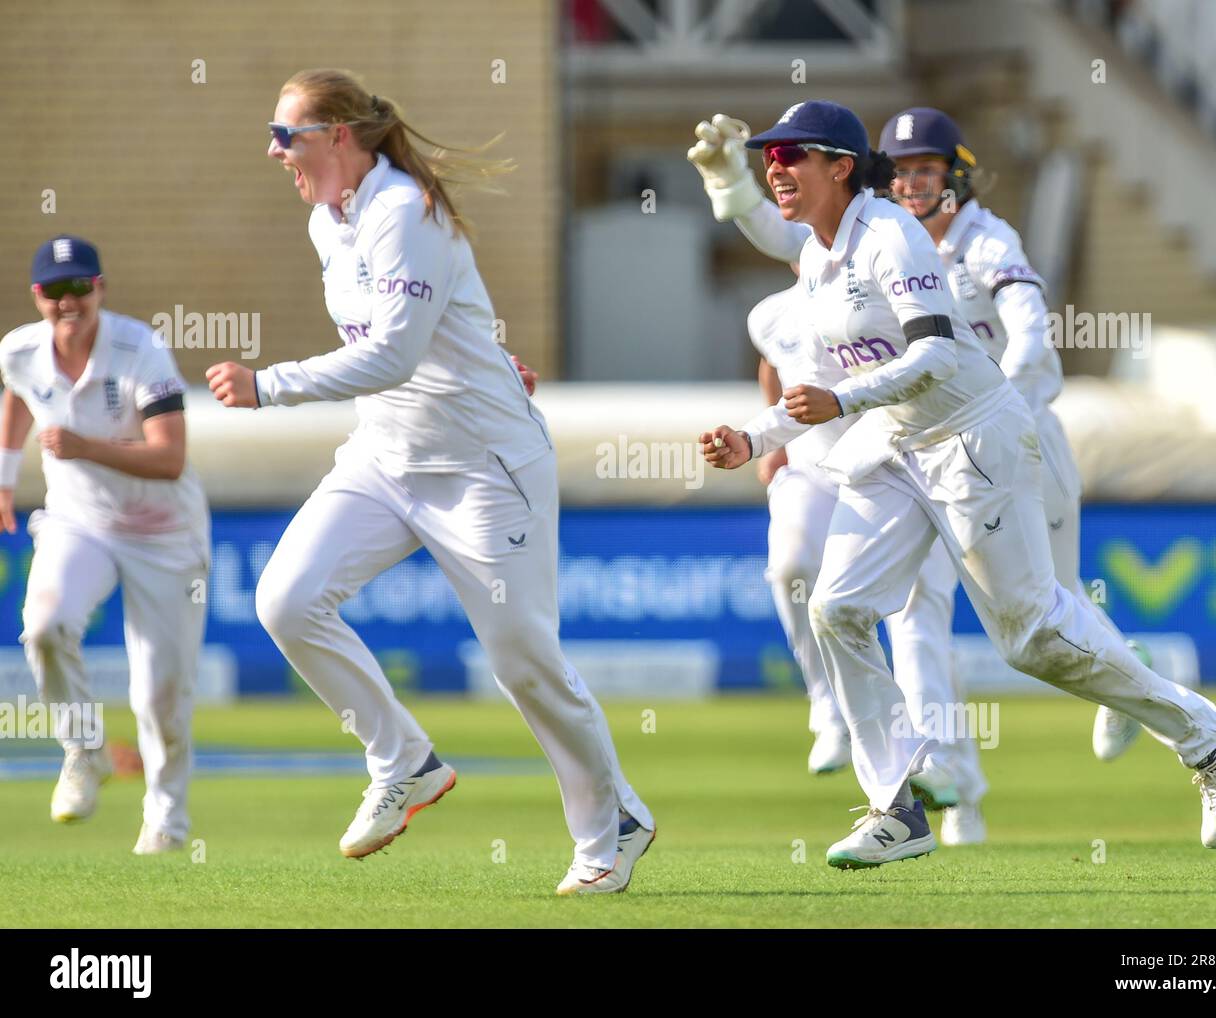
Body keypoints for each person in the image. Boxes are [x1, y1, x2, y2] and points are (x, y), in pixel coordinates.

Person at [698, 100, 1216, 868]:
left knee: (1030, 637)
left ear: (839, 166)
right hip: (895, 446)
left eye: (792, 155)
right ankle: (896, 804)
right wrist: (754, 437)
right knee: (835, 607)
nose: (775, 167)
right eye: (769, 156)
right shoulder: (817, 260)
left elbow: (932, 354)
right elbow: (822, 378)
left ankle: (1212, 737)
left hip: (973, 437)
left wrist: (844, 402)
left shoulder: (891, 233)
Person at [205, 69, 654, 895]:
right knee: (285, 599)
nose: (275, 153)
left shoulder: (405, 211)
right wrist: (479, 350)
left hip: (486, 467)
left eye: (286, 136)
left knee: (524, 663)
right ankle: (404, 760)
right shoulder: (325, 219)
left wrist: (270, 384)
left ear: (339, 135)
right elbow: (410, 336)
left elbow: (394, 352)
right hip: (386, 454)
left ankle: (613, 824)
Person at [0, 235, 210, 855]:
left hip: (164, 532)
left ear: (101, 288)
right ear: (37, 296)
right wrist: (6, 479)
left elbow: (170, 458)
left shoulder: (139, 348)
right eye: (55, 291)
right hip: (78, 520)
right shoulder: (19, 349)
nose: (69, 302)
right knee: (44, 625)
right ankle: (85, 750)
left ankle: (166, 825)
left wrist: (83, 446)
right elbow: (16, 394)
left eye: (81, 287)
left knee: (159, 695)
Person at [748, 272, 852, 774]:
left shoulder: (887, 278)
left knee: (915, 609)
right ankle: (827, 707)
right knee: (791, 568)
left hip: (895, 465)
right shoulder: (774, 311)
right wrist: (775, 441)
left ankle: (931, 748)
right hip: (813, 465)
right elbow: (776, 369)